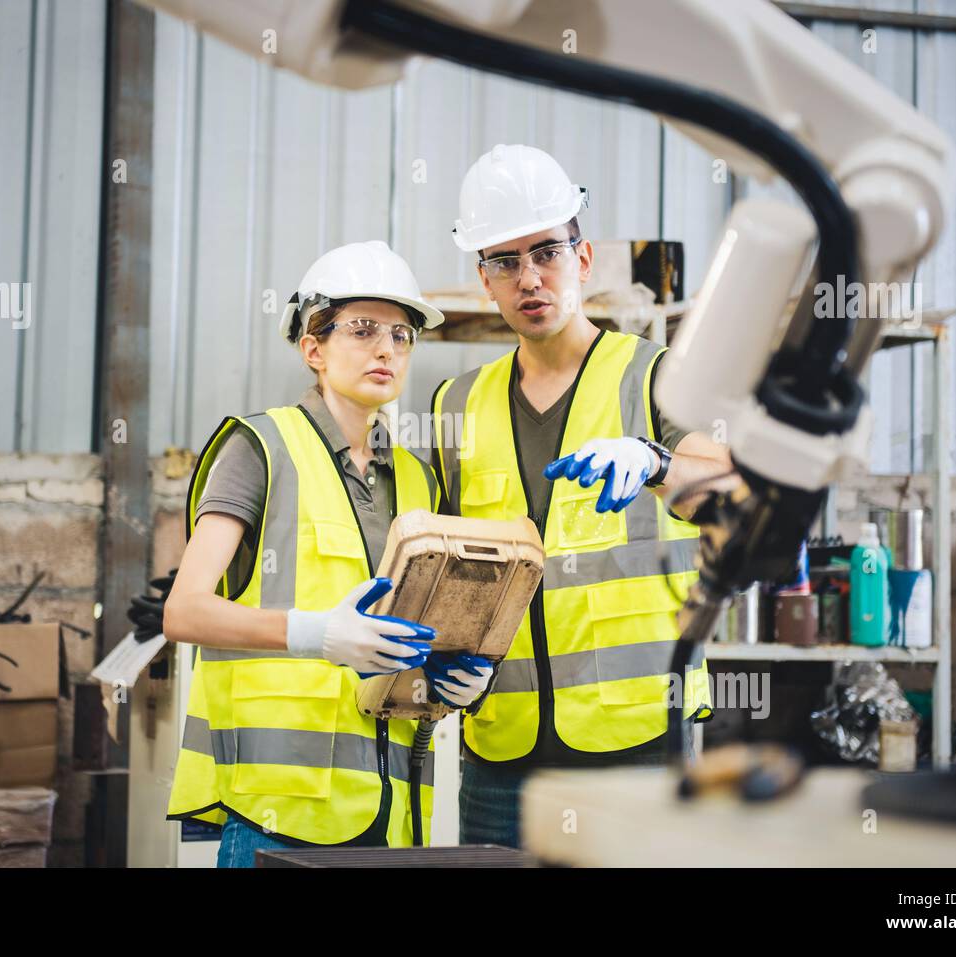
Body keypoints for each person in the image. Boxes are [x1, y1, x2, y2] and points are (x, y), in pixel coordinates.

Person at [431, 145, 740, 849]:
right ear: (484, 278)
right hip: (501, 746)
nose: (529, 277)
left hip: (635, 740)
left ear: (584, 257)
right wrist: (437, 657)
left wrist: (657, 461)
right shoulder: (456, 403)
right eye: (504, 260)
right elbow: (446, 567)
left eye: (546, 251)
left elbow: (734, 494)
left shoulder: (656, 376)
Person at [164, 240, 492, 866]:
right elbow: (184, 612)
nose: (386, 349)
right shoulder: (260, 447)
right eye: (363, 329)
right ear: (313, 349)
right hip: (276, 817)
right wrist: (317, 635)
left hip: (392, 818)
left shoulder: (420, 480)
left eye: (401, 335)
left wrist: (450, 681)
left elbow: (409, 636)